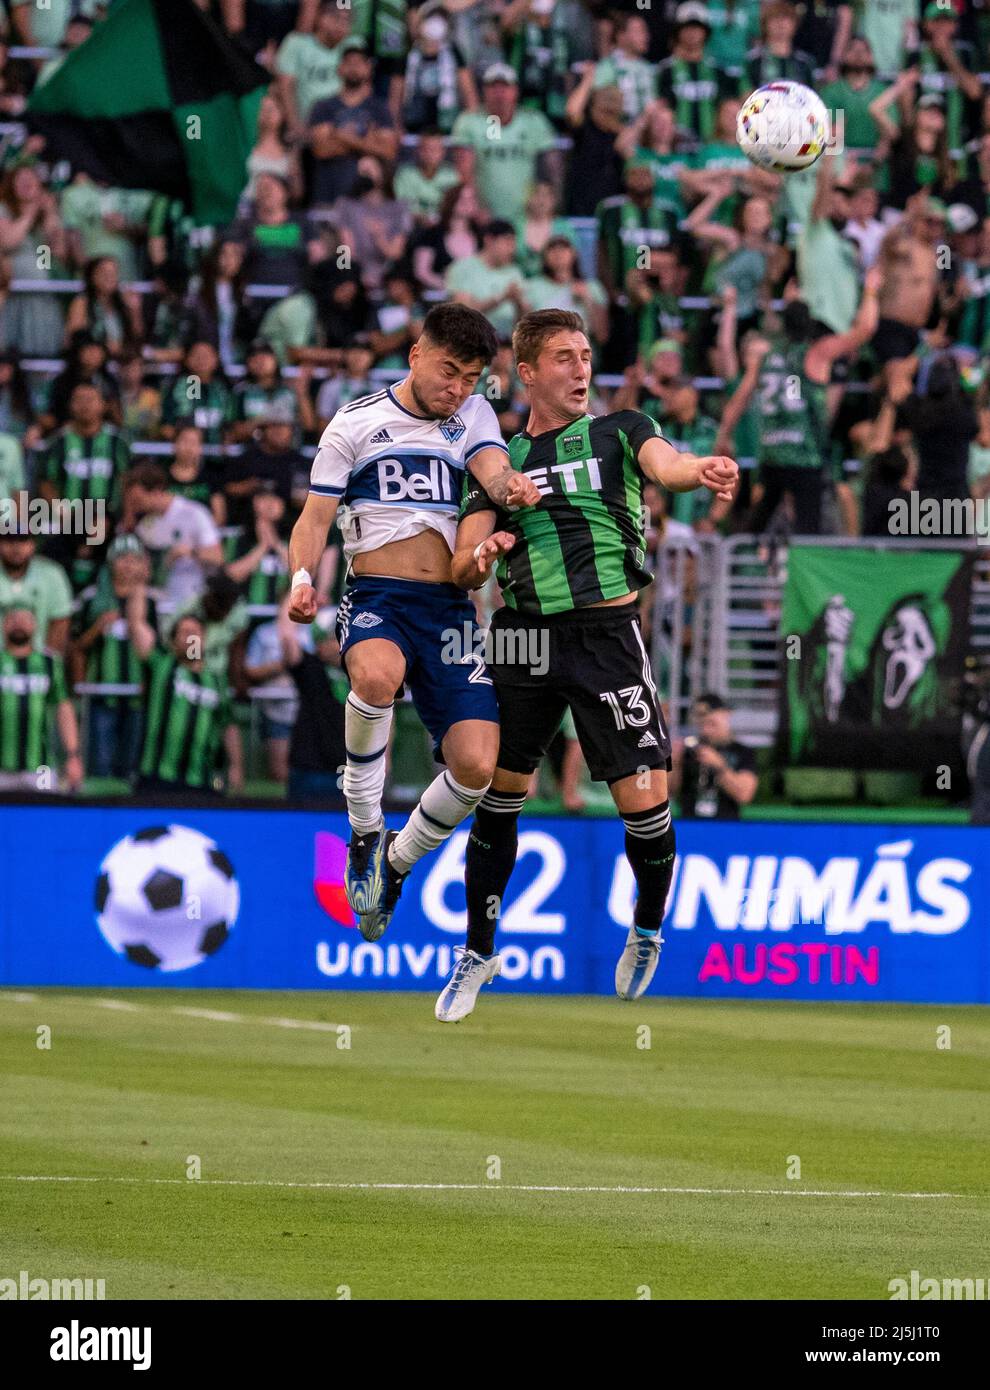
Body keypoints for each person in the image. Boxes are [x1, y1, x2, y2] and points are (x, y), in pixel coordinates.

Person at [442, 308, 738, 1020]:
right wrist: (480, 558)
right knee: (499, 792)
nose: (582, 370)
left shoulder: (622, 429)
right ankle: (478, 950)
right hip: (523, 636)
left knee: (644, 801)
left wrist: (701, 469)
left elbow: (668, 467)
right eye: (565, 359)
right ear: (529, 372)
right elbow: (462, 565)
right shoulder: (496, 462)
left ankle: (646, 927)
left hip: (607, 633)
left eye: (585, 356)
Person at [287, 302, 540, 938]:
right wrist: (300, 579)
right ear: (415, 355)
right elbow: (315, 518)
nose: (457, 389)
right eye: (448, 372)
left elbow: (492, 469)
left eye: (470, 378)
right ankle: (365, 830)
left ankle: (394, 864)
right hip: (378, 593)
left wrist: (512, 487)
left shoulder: (474, 415)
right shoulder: (355, 422)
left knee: (478, 767)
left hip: (451, 608)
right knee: (375, 678)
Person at [716, 273, 882, 536]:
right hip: (806, 456)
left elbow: (740, 398)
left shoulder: (766, 356)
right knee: (808, 530)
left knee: (759, 523)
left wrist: (723, 434)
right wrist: (871, 290)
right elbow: (866, 330)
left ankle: (742, 565)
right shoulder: (818, 352)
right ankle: (798, 573)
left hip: (773, 453)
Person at [72, 535, 157, 780]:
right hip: (100, 693)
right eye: (122, 559)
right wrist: (97, 628)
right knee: (100, 766)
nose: (128, 565)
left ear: (143, 564)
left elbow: (160, 652)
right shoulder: (91, 597)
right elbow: (77, 648)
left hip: (139, 696)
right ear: (111, 563)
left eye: (134, 559)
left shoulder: (153, 602)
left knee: (133, 767)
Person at [134, 615, 229, 797]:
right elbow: (137, 625)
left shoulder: (217, 680)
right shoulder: (161, 665)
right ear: (174, 640)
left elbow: (227, 723)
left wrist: (236, 766)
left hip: (201, 781)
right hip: (158, 778)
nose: (190, 638)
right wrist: (138, 586)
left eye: (195, 633)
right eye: (184, 632)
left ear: (204, 638)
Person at [0, 604, 82, 794]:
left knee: (45, 814)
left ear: (35, 626)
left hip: (42, 767)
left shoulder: (50, 663)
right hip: (1, 768)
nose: (18, 624)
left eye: (25, 619)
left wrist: (73, 756)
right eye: (12, 619)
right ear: (3, 625)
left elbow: (64, 709)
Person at [275, 593, 348, 804]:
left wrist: (385, 759)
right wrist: (298, 594)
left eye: (335, 638)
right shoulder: (310, 668)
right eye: (326, 639)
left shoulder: (359, 673)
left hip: (348, 772)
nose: (333, 645)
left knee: (344, 833)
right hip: (309, 767)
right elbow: (287, 637)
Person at [123, 463, 224, 606]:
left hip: (192, 599)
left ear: (156, 491)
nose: (136, 506)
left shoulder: (194, 513)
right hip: (158, 601)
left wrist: (189, 551)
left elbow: (218, 557)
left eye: (138, 500)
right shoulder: (144, 526)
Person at [670, 692, 758, 818]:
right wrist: (674, 762)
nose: (706, 730)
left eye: (711, 724)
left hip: (726, 825)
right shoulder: (689, 750)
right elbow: (669, 792)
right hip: (690, 822)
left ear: (726, 714)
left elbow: (744, 795)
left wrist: (719, 766)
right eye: (702, 724)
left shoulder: (743, 752)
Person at [0, 529, 73, 653]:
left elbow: (61, 623)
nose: (16, 547)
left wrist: (47, 664)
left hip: (39, 663)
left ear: (34, 543)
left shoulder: (52, 573)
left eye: (23, 540)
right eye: (9, 540)